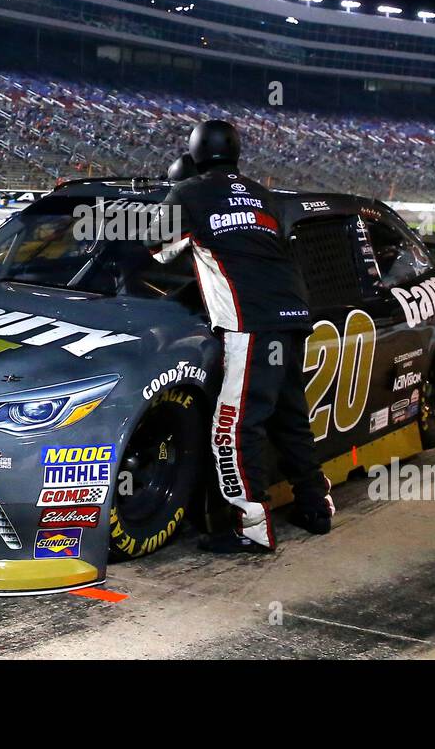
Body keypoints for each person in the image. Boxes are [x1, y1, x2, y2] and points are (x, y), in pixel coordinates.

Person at [148, 120, 333, 552]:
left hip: (252, 322)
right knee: (290, 420)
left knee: (233, 427)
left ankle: (252, 529)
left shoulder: (190, 192)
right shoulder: (264, 194)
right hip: (292, 315)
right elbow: (261, 251)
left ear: (194, 153)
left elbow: (155, 245)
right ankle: (315, 507)